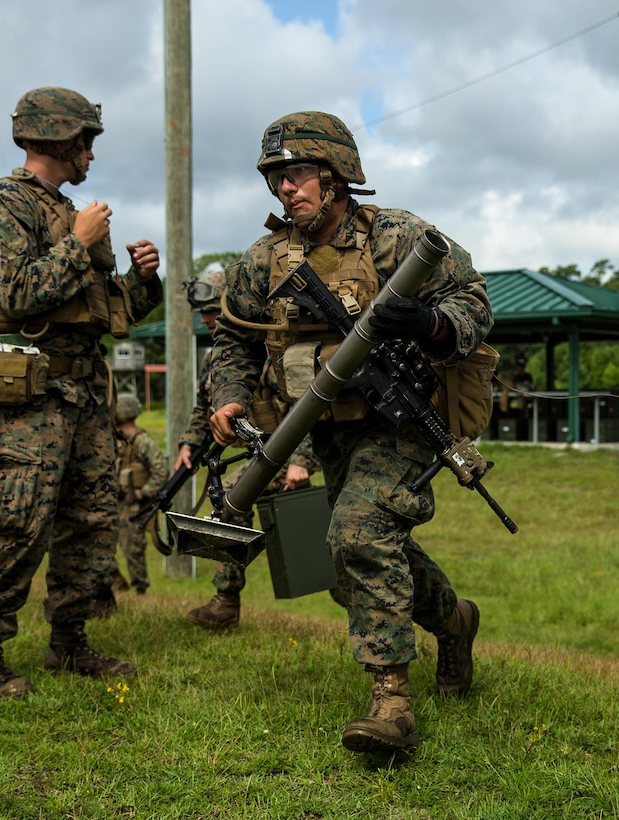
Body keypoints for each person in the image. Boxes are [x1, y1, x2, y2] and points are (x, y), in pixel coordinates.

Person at [208, 112, 491, 755]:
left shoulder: (398, 237)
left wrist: (429, 322)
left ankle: (392, 704)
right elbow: (232, 339)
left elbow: (475, 302)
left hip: (402, 418)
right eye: (276, 178)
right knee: (348, 559)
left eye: (298, 174)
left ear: (337, 176)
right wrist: (227, 398)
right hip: (320, 429)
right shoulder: (264, 260)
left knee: (358, 528)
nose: (287, 189)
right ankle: (453, 620)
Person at [0, 87, 163, 698]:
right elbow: (19, 294)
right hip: (32, 390)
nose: (91, 154)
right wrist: (77, 241)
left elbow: (104, 312)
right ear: (58, 139)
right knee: (20, 520)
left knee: (92, 518)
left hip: (82, 387)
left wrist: (141, 280)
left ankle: (69, 641)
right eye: (87, 141)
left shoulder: (66, 210)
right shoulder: (3, 203)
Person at [177, 268, 320, 630]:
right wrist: (190, 444)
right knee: (229, 503)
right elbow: (202, 408)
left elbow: (309, 411)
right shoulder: (217, 361)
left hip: (284, 453)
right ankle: (226, 601)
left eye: (212, 311)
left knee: (329, 549)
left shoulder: (270, 355)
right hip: (257, 454)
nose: (206, 319)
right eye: (203, 313)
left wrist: (299, 462)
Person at [111, 393, 168, 595]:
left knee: (133, 550)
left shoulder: (142, 441)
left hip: (133, 506)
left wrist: (142, 492)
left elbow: (161, 469)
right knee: (102, 547)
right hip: (114, 503)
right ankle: (118, 585)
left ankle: (140, 592)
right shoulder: (115, 438)